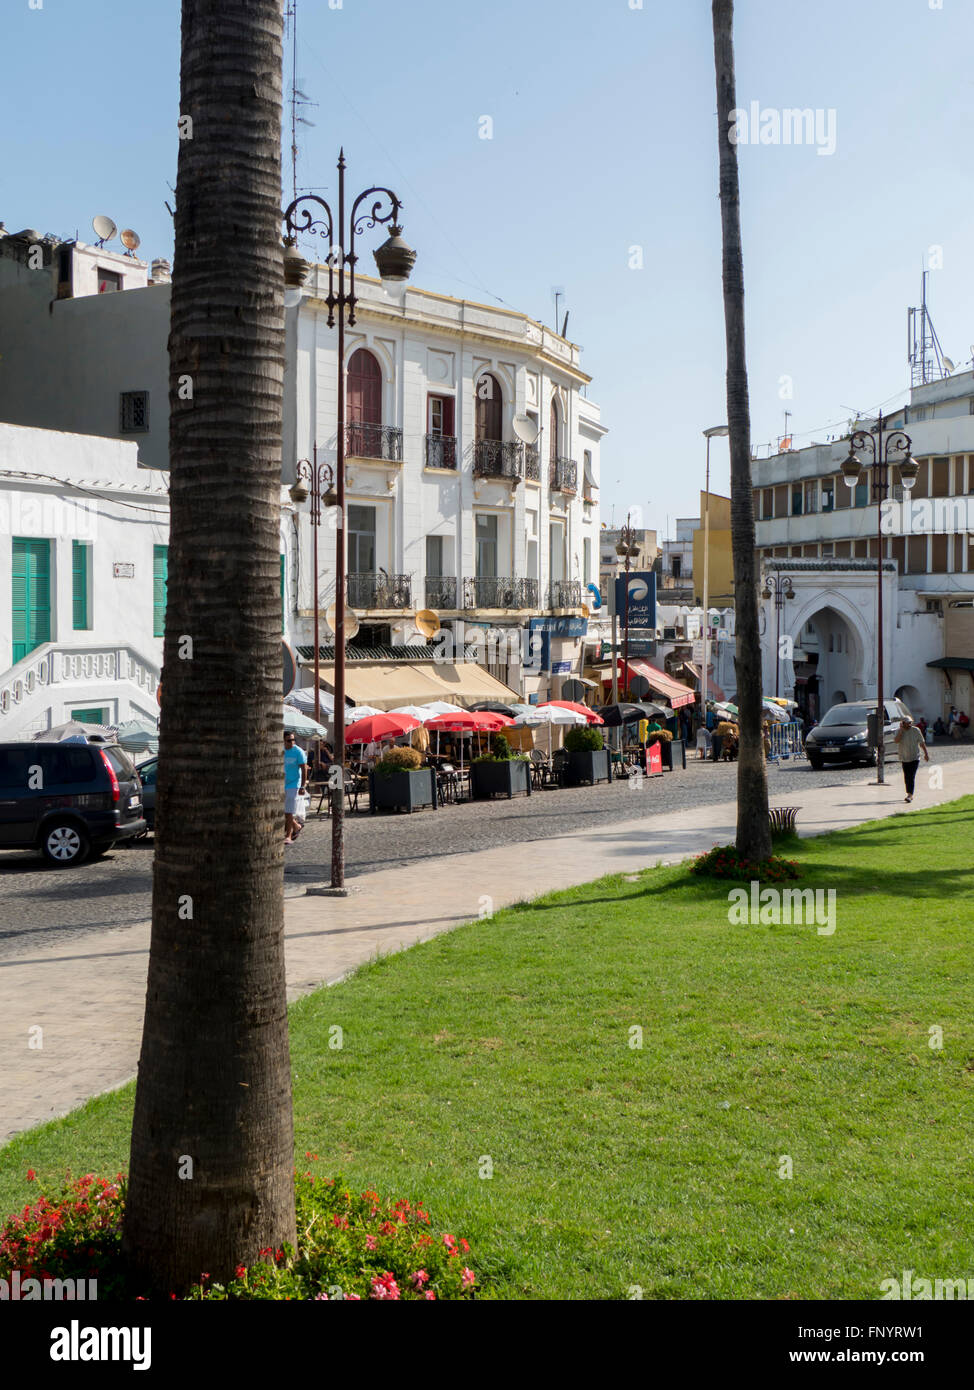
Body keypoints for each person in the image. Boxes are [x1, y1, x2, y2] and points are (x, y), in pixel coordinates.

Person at [893, 716, 928, 803]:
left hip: (914, 757)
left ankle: (910, 795)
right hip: (904, 757)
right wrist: (901, 730)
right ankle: (909, 792)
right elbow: (896, 741)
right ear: (902, 723)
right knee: (906, 776)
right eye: (907, 723)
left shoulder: (916, 730)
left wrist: (926, 754)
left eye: (910, 723)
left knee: (911, 776)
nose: (909, 724)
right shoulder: (899, 731)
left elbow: (922, 742)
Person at [284, 731, 308, 844]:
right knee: (284, 811)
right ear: (283, 740)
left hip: (294, 784)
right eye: (289, 740)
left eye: (293, 740)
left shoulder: (298, 751)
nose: (292, 742)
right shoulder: (281, 751)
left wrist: (303, 785)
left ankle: (288, 835)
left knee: (288, 811)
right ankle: (296, 826)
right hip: (283, 783)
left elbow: (304, 769)